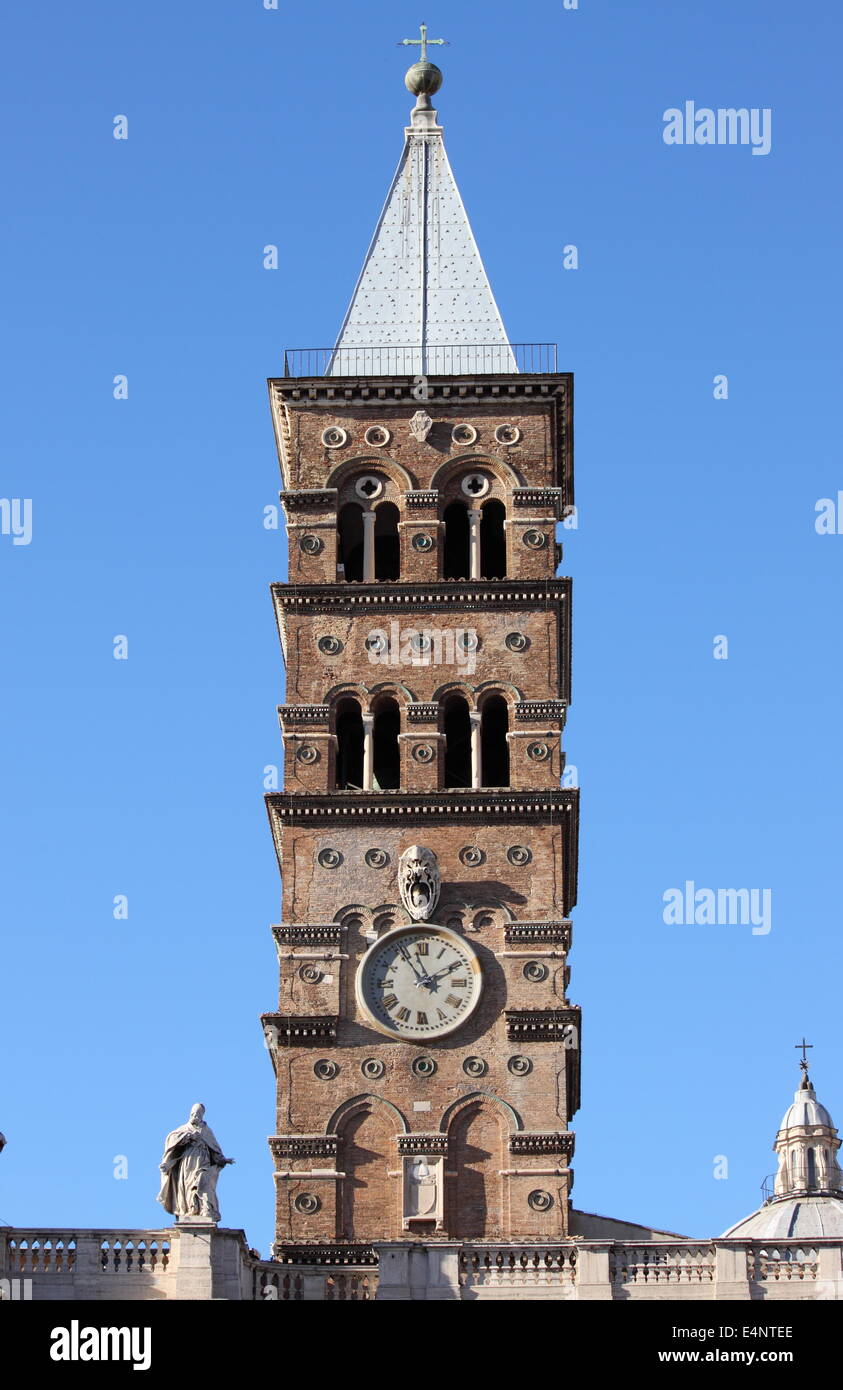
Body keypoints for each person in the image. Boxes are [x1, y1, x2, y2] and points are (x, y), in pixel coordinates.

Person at [156, 1103, 234, 1222]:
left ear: (202, 1115)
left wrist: (223, 1160)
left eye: (197, 1114)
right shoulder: (184, 1129)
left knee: (202, 1182)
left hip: (203, 1161)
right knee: (188, 1185)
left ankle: (204, 1209)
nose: (194, 1116)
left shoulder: (206, 1130)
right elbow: (171, 1139)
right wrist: (187, 1137)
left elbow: (214, 1149)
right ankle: (191, 1209)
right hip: (188, 1162)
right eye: (193, 1114)